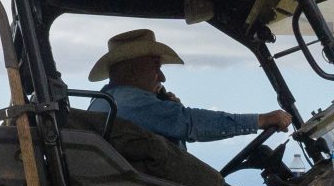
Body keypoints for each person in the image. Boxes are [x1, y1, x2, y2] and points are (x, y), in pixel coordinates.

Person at [89, 29, 292, 148]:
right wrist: (262, 120)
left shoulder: (104, 99)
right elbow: (193, 122)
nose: (162, 77)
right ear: (133, 69)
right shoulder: (130, 103)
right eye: (156, 68)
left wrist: (166, 108)